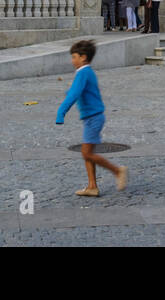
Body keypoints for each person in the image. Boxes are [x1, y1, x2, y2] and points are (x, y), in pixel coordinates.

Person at [54, 39, 126, 196]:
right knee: (87, 152)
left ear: (83, 57)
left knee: (87, 153)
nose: (72, 60)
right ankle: (92, 186)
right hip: (92, 117)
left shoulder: (83, 72)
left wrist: (61, 112)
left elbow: (75, 93)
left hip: (93, 118)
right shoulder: (85, 72)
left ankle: (117, 171)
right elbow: (77, 90)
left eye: (74, 57)